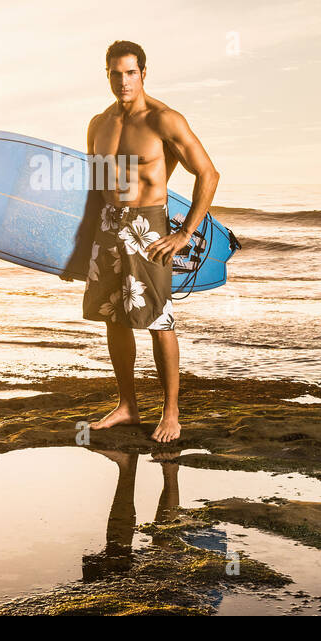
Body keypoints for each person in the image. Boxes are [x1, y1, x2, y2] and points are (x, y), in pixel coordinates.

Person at [76, 40, 220, 443]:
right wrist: (78, 249)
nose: (123, 81)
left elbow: (208, 174)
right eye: (116, 73)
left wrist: (185, 233)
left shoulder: (164, 120)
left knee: (159, 319)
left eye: (131, 72)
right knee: (113, 317)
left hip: (148, 226)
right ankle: (127, 406)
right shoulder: (99, 124)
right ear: (107, 75)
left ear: (143, 73)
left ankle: (171, 412)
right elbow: (95, 188)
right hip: (107, 226)